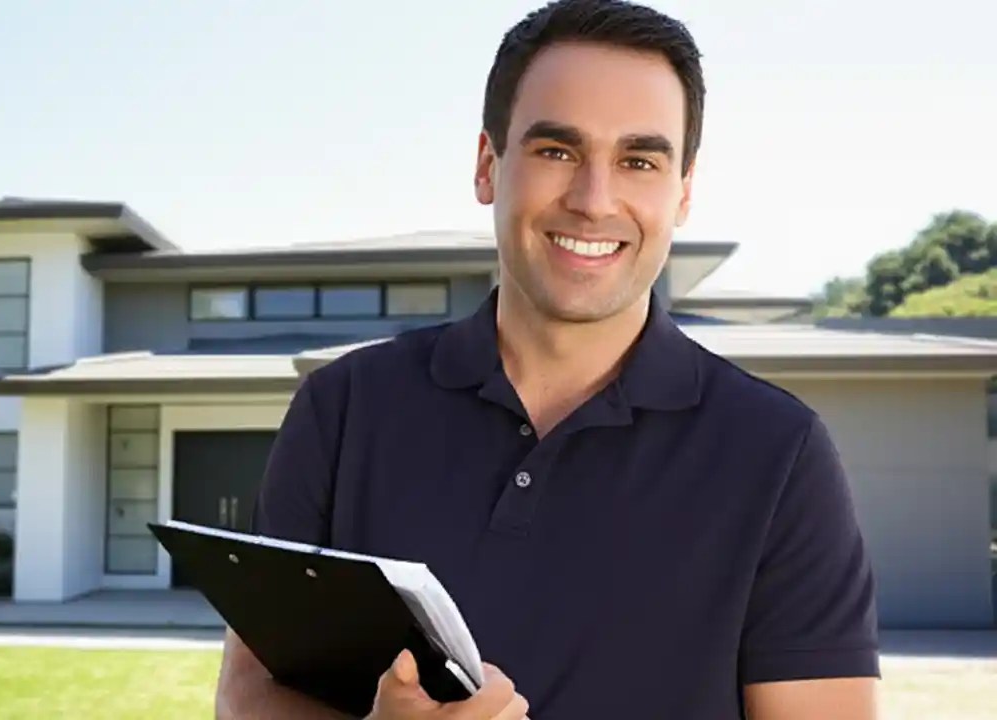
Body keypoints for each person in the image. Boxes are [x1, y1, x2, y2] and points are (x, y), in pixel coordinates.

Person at [215, 0, 881, 717]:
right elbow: (250, 692)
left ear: (682, 190)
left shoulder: (778, 453)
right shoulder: (342, 409)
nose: (595, 201)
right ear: (487, 166)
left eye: (639, 159)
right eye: (557, 151)